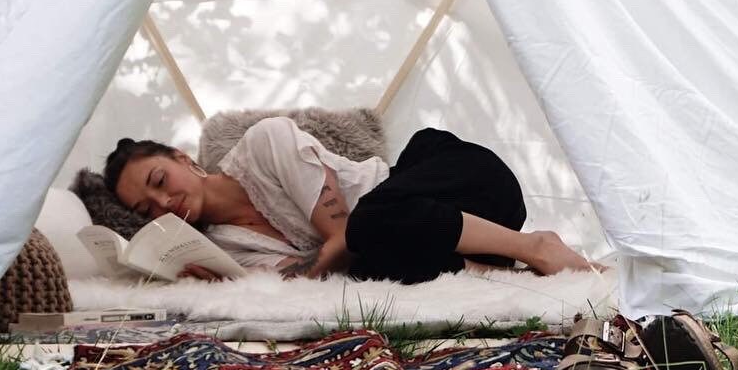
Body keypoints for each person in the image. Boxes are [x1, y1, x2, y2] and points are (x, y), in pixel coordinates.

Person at [106, 118, 597, 283]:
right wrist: (223, 281)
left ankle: (535, 246)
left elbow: (338, 237)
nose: (164, 201)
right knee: (363, 268)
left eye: (158, 179)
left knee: (364, 226)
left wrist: (309, 268)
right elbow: (310, 276)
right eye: (147, 209)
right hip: (432, 242)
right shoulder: (224, 245)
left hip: (464, 181)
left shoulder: (265, 141)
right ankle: (493, 272)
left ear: (182, 157)